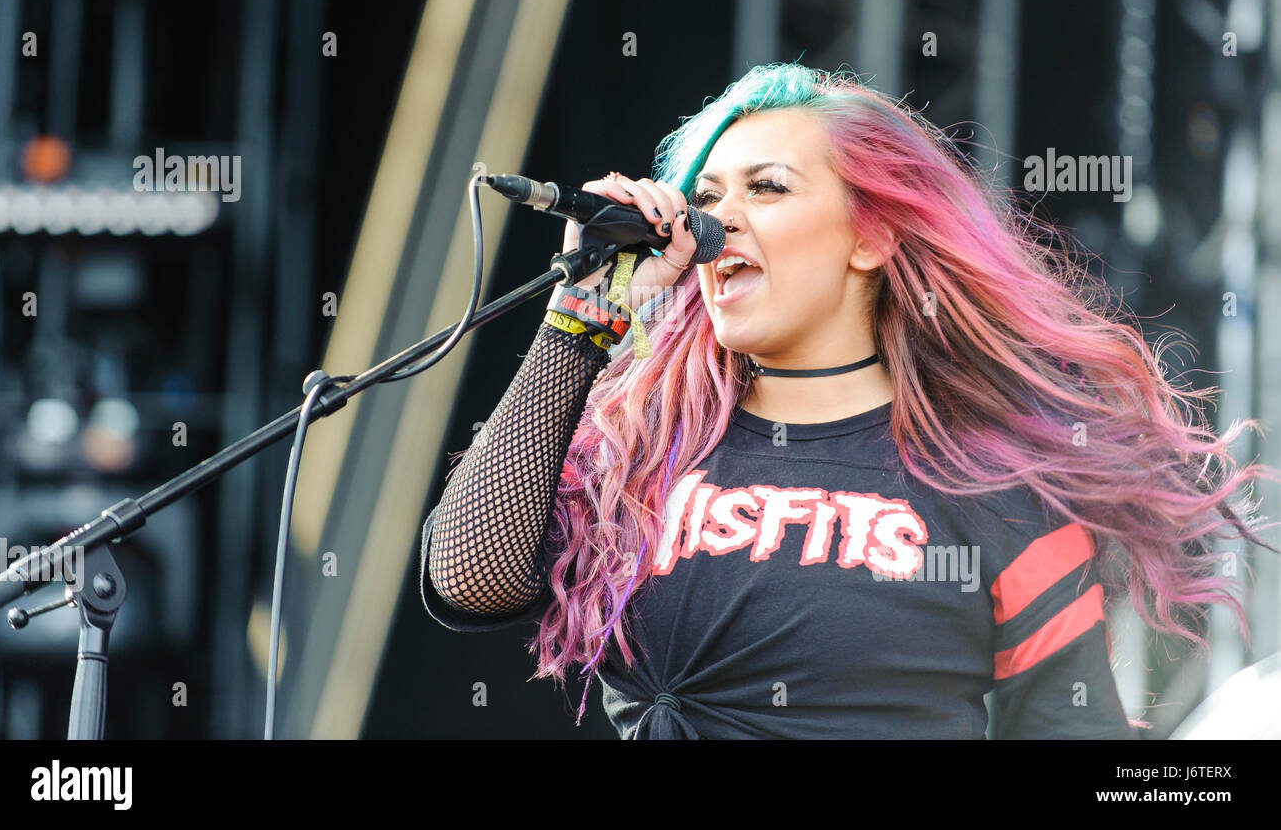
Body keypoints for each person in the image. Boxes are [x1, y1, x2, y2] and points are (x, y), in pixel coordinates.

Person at [419, 62, 1277, 739]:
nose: (720, 223)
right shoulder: (649, 447)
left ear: (871, 234)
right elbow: (468, 579)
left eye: (768, 188)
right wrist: (579, 320)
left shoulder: (998, 496)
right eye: (707, 197)